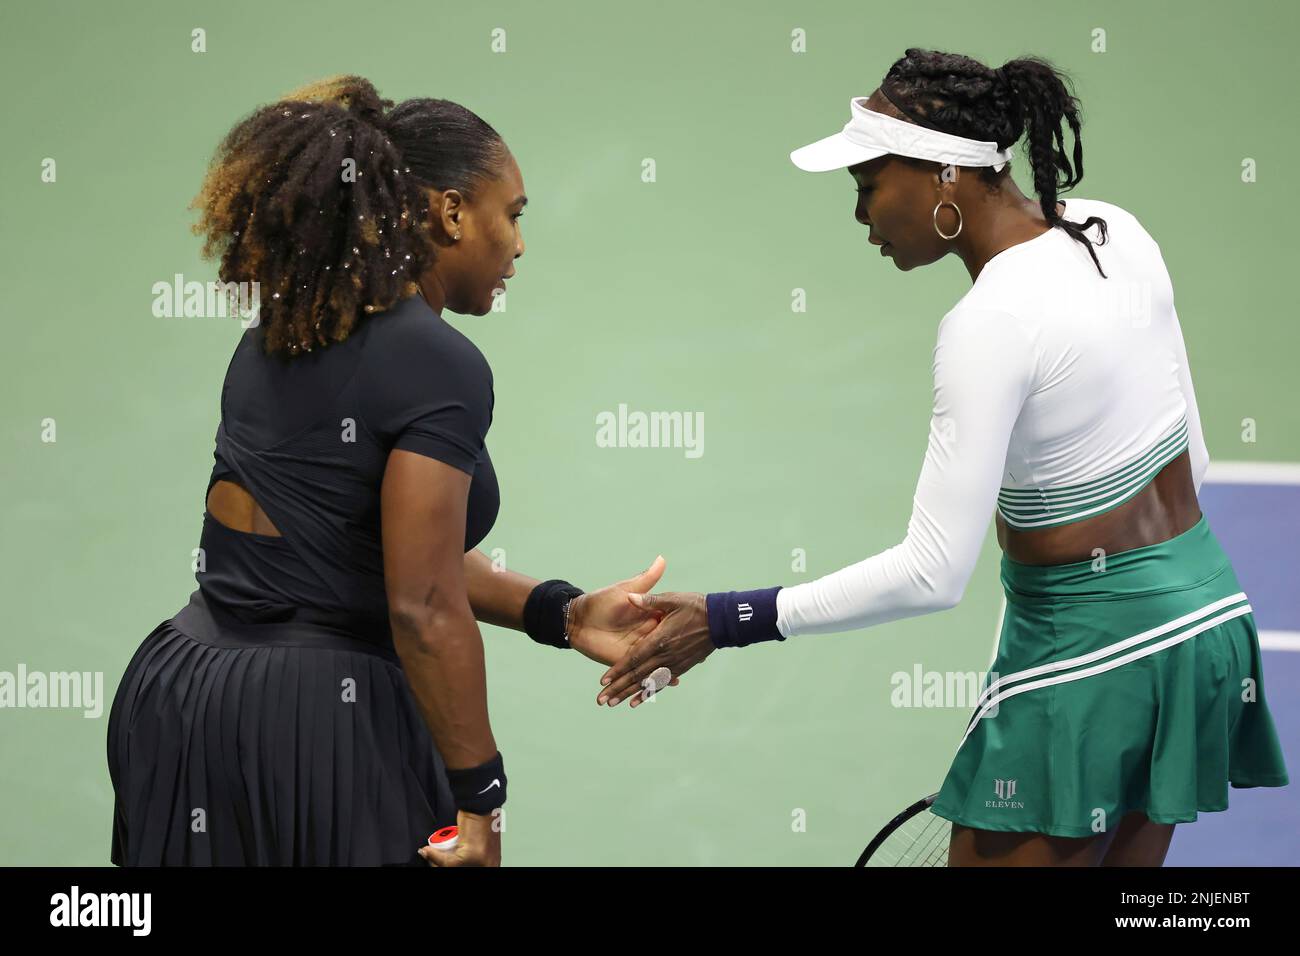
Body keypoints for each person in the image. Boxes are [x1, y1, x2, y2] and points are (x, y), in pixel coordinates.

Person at [597, 49, 1289, 866]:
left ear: (945, 178)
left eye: (867, 186)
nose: (861, 217)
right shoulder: (1115, 232)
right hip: (1202, 630)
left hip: (1091, 665)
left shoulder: (986, 324)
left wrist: (724, 618)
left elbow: (933, 573)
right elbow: (1194, 459)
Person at [107, 75, 668, 867]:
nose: (518, 244)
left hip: (182, 694)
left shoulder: (281, 332)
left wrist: (564, 614)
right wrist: (482, 802)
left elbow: (369, 548)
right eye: (511, 215)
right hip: (317, 722)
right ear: (448, 213)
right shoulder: (440, 364)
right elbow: (423, 600)